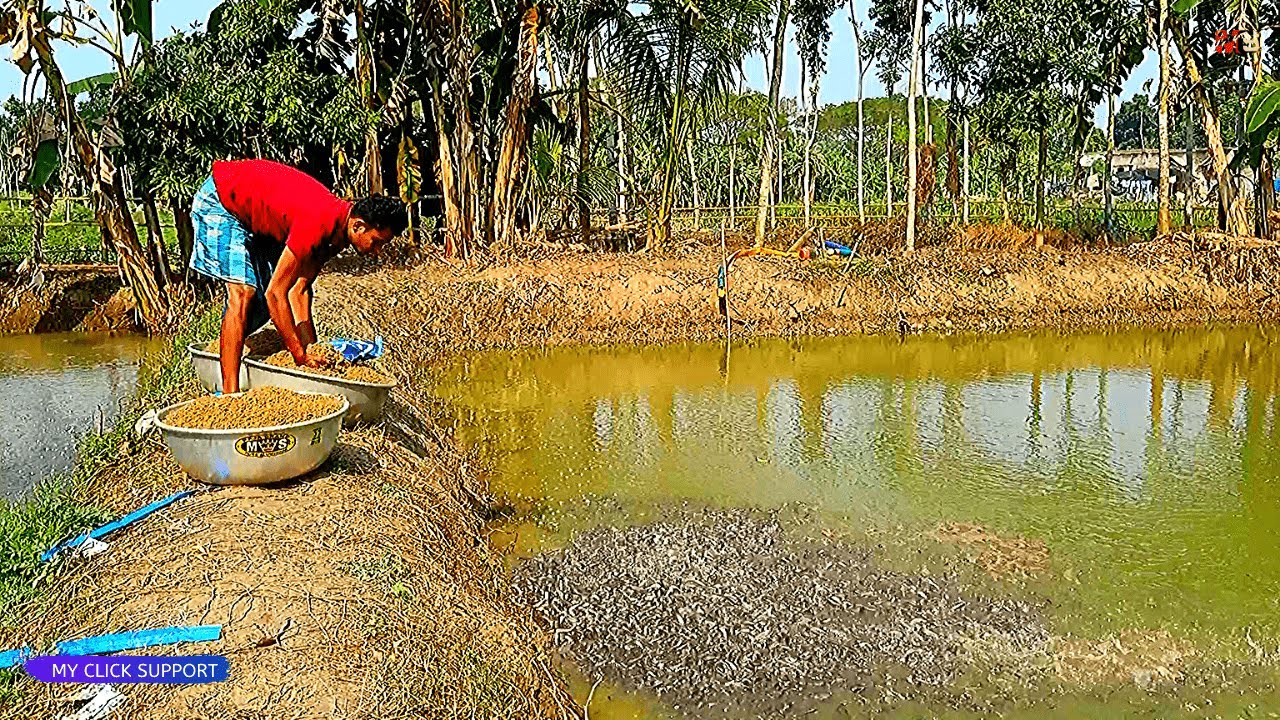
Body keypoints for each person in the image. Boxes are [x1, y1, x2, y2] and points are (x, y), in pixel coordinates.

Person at [189, 158, 408, 393]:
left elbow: (300, 290)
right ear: (358, 226)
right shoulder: (318, 220)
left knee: (262, 305)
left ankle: (231, 346)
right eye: (377, 243)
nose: (377, 252)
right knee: (244, 294)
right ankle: (229, 394)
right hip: (222, 199)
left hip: (252, 213)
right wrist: (298, 354)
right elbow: (276, 293)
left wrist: (313, 351)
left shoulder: (337, 234)